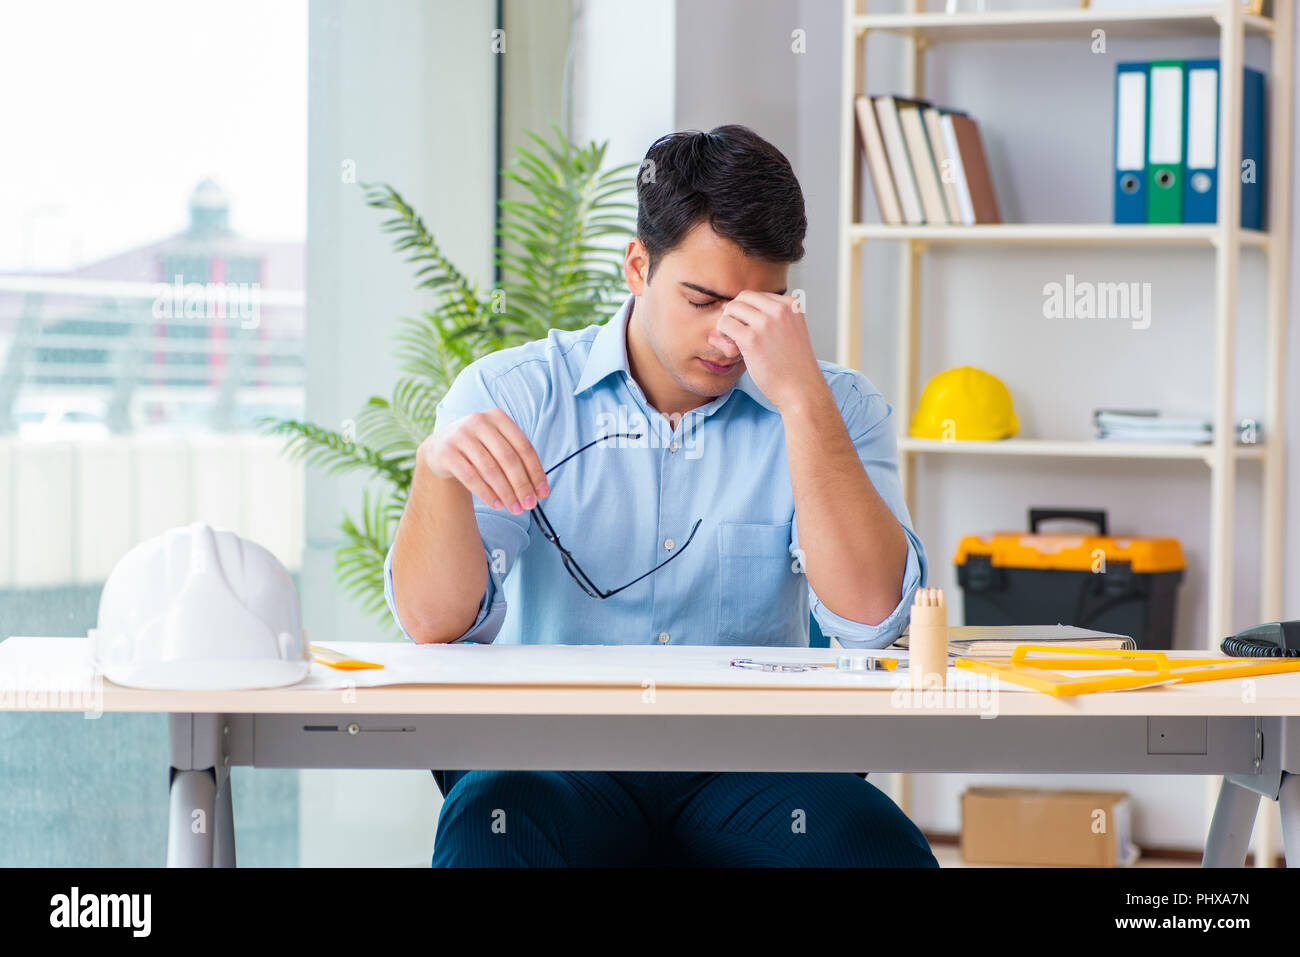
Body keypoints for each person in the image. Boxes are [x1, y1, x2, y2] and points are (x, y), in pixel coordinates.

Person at [384, 124, 937, 867]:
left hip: (753, 766)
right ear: (638, 266)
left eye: (761, 308)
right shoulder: (512, 392)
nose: (730, 338)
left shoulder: (837, 405)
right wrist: (437, 473)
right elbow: (436, 624)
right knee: (494, 834)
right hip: (556, 757)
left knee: (866, 848)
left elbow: (873, 620)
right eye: (704, 299)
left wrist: (803, 406)